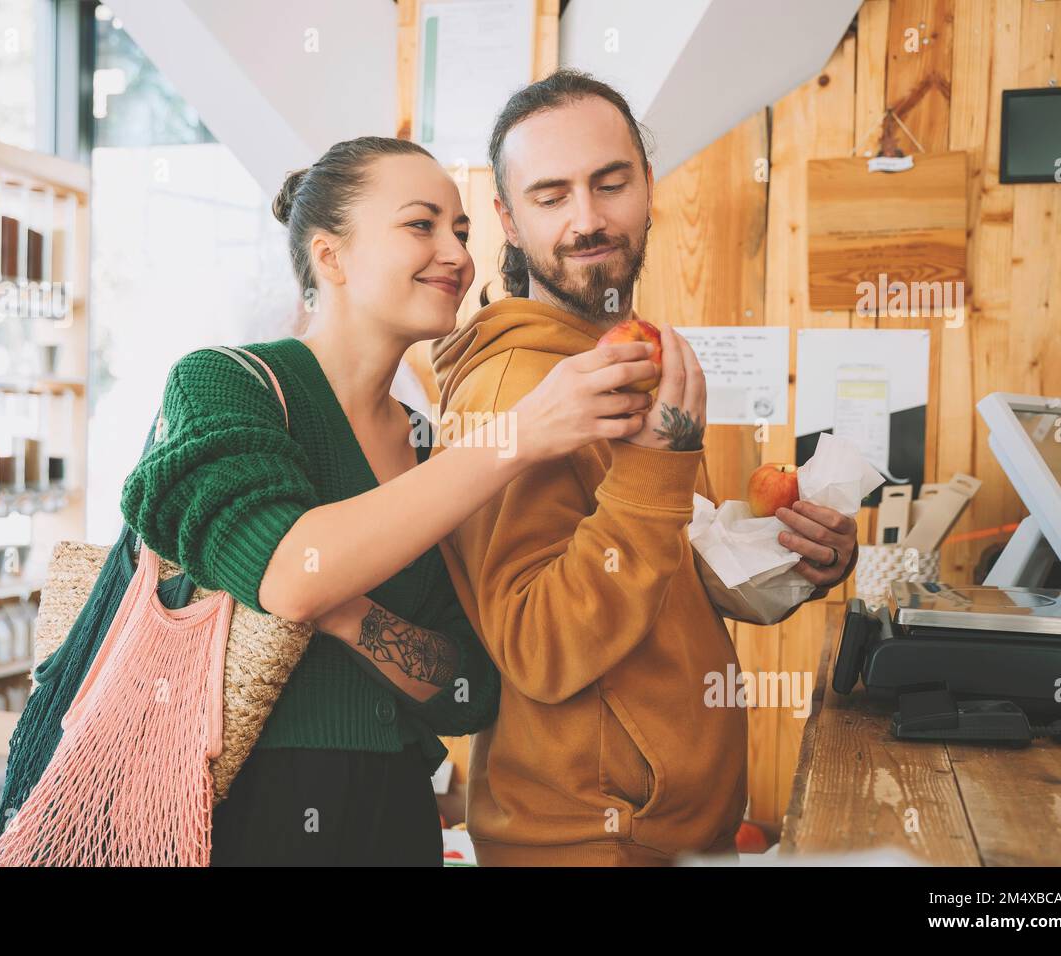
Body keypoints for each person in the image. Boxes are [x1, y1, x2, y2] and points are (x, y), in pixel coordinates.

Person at [119, 135, 663, 866]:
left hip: (394, 822)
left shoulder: (430, 442)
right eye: (421, 225)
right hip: (233, 818)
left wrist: (346, 612)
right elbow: (291, 571)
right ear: (330, 256)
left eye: (462, 231)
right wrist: (523, 434)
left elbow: (467, 690)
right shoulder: (225, 384)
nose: (457, 255)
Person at [430, 69, 861, 866]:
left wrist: (795, 561)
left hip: (672, 837)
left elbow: (655, 578)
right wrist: (657, 471)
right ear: (509, 221)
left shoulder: (624, 357)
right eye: (551, 195)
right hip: (587, 845)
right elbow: (540, 646)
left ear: (649, 186)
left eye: (610, 183)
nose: (588, 220)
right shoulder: (511, 390)